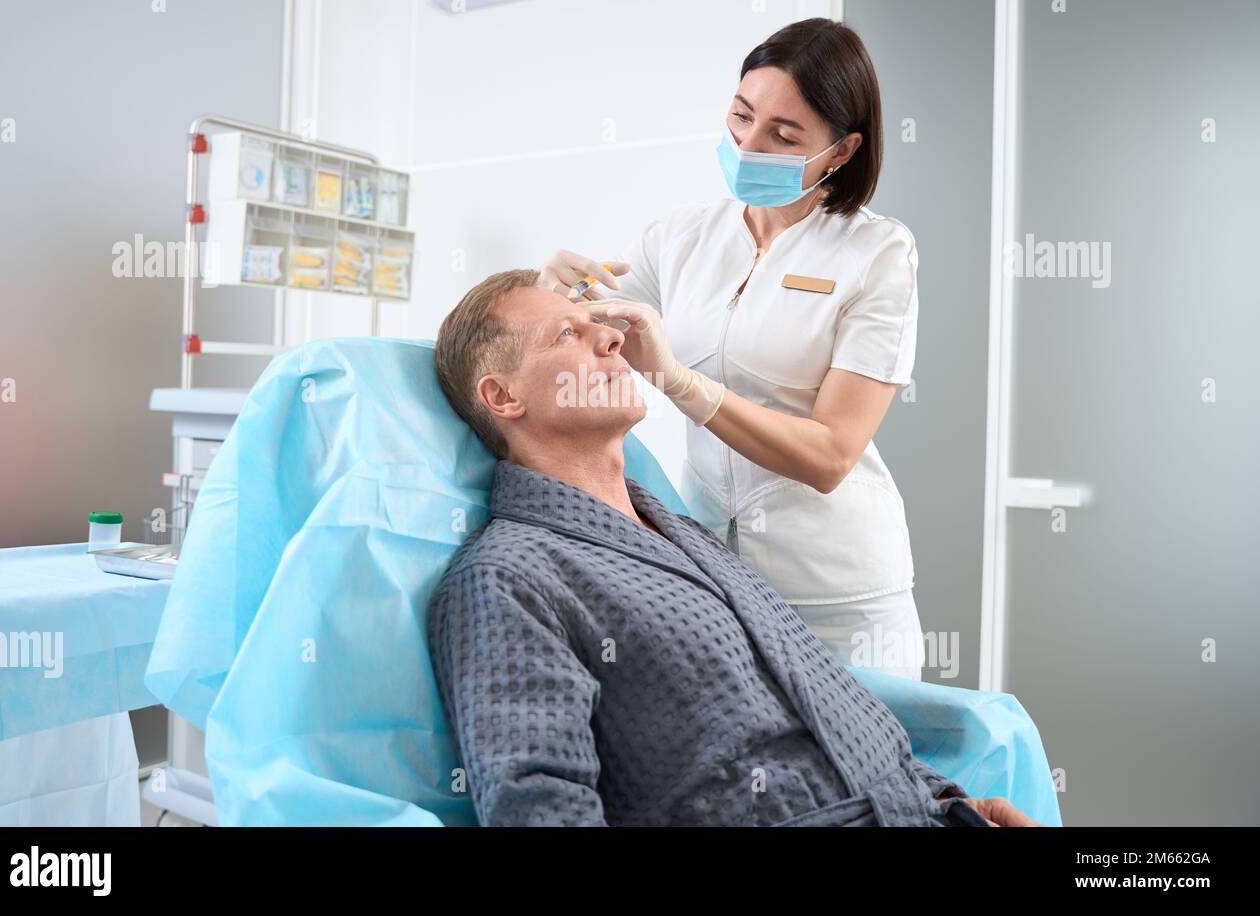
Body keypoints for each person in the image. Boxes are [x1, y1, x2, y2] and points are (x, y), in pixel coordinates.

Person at [427, 268, 1040, 827]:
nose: (612, 339)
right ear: (503, 397)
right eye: (567, 333)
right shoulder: (508, 578)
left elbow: (817, 699)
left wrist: (949, 801)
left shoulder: (682, 535)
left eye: (601, 324)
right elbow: (540, 810)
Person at [538, 18, 926, 680]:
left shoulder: (877, 253)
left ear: (841, 150)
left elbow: (832, 455)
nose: (748, 144)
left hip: (836, 598)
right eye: (742, 116)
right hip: (717, 584)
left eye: (783, 135)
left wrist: (680, 382)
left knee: (868, 778)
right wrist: (553, 300)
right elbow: (591, 336)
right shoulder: (680, 237)